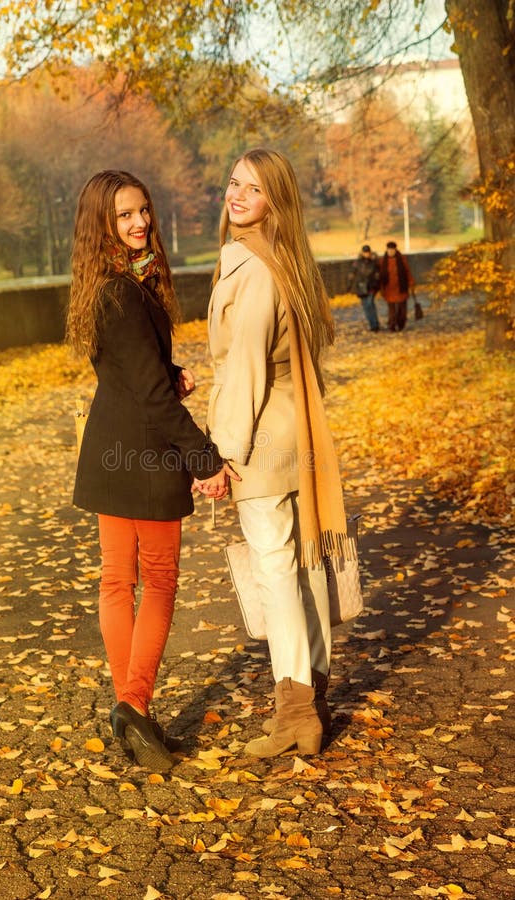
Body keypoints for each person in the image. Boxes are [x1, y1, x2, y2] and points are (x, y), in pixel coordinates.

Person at [67, 170, 232, 773]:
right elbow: (156, 401)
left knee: (117, 581)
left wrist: (167, 371)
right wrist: (205, 458)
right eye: (125, 217)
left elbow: (126, 371)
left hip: (113, 449)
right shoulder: (125, 292)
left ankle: (129, 712)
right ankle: (133, 705)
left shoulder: (103, 286)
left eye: (143, 212)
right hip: (145, 454)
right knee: (156, 580)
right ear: (102, 226)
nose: (139, 224)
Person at [207, 148, 353, 758]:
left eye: (255, 188)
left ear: (276, 201)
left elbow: (244, 367)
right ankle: (312, 698)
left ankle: (296, 714)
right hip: (297, 432)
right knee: (302, 567)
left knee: (276, 571)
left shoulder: (253, 267)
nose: (238, 195)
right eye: (235, 183)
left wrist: (224, 452)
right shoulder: (286, 260)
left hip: (262, 438)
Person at [378, 240, 415, 332]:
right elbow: (380, 276)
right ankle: (392, 325)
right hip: (389, 289)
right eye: (389, 250)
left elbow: (407, 271)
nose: (390, 252)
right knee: (392, 310)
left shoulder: (401, 259)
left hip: (401, 288)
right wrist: (381, 288)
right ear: (387, 250)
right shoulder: (383, 261)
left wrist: (411, 283)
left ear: (395, 250)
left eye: (392, 250)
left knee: (402, 309)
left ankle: (400, 324)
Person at [347, 244, 380, 332]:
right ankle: (372, 324)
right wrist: (349, 285)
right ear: (362, 253)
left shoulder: (374, 262)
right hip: (361, 287)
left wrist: (376, 285)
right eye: (365, 252)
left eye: (368, 252)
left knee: (370, 304)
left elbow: (377, 275)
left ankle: (375, 324)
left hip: (371, 287)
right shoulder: (357, 263)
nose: (366, 254)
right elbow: (352, 274)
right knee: (366, 307)